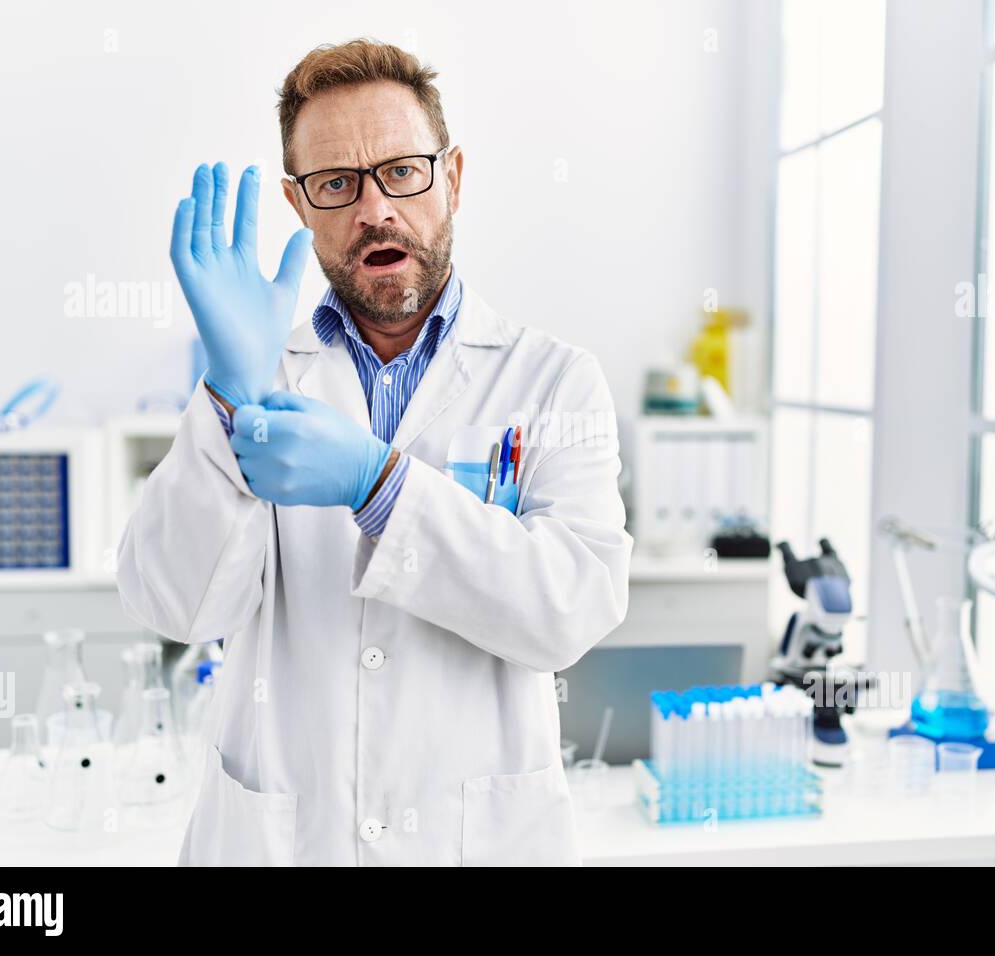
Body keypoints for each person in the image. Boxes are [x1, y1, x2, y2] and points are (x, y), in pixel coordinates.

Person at [116, 39, 632, 866]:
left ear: (453, 177)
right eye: (336, 184)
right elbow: (179, 609)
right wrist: (228, 394)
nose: (375, 210)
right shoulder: (258, 375)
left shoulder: (556, 382)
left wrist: (381, 487)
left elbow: (567, 610)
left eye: (402, 171)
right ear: (299, 204)